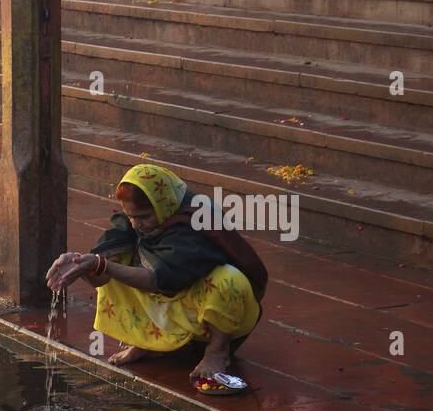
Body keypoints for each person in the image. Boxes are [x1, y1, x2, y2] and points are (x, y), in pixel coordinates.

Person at [46, 164, 268, 395]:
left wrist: (101, 264)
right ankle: (147, 342)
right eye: (130, 216)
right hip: (174, 298)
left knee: (228, 280)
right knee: (114, 263)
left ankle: (217, 352)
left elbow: (160, 279)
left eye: (142, 217)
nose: (134, 224)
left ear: (163, 206)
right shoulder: (138, 215)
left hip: (218, 308)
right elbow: (103, 275)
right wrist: (81, 265)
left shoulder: (197, 217)